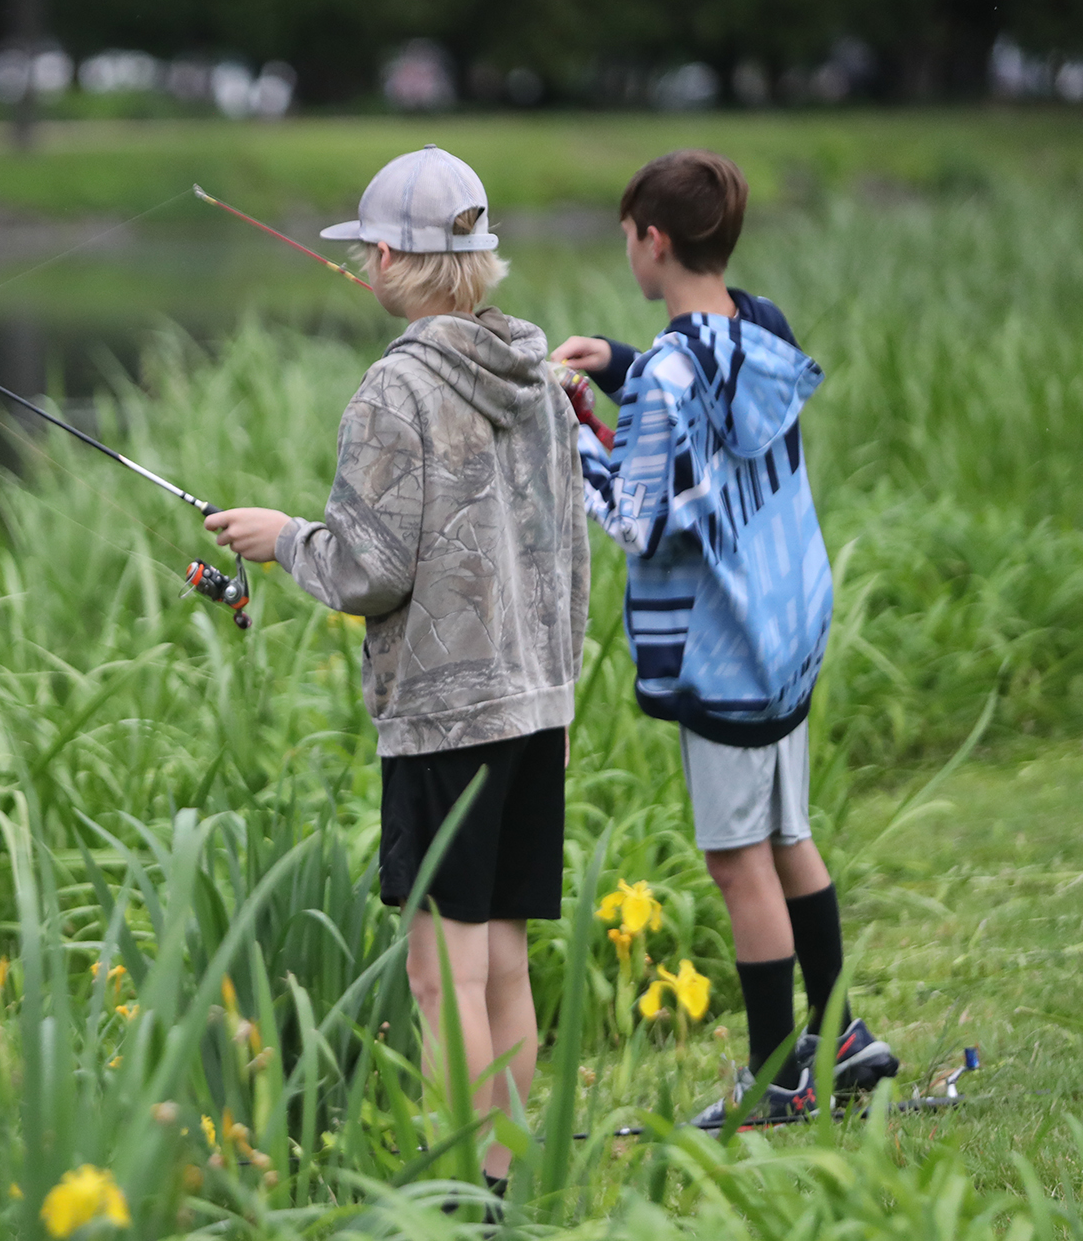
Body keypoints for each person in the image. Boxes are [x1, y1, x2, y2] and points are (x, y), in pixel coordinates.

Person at [206, 145, 589, 1198]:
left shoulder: (394, 390)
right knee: (501, 958)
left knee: (439, 975)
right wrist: (557, 682)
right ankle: (507, 1195)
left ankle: (461, 1204)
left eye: (364, 252)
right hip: (535, 704)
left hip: (447, 720)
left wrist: (282, 537)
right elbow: (572, 551)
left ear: (384, 256)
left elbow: (365, 572)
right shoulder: (541, 375)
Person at [551, 150, 899, 1129]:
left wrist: (574, 431)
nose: (627, 250)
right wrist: (617, 366)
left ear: (652, 241)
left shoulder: (668, 374)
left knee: (736, 861)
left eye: (626, 236)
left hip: (723, 642)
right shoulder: (758, 326)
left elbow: (633, 518)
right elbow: (708, 408)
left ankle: (773, 1082)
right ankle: (835, 1036)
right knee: (788, 833)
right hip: (785, 620)